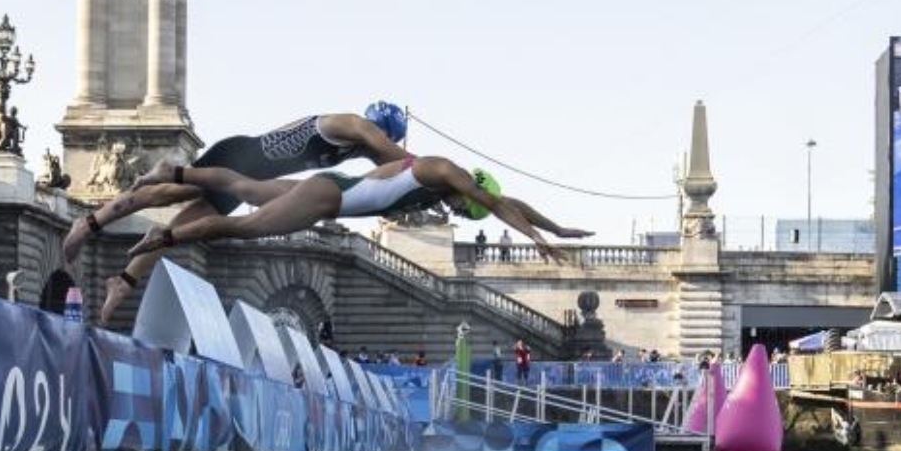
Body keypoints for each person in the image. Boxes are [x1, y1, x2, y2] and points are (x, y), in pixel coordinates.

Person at [63, 102, 413, 324]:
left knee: (183, 228)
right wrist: (436, 174)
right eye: (386, 137)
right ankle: (90, 221)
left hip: (247, 178)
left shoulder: (354, 149)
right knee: (168, 192)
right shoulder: (352, 124)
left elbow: (389, 174)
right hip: (239, 157)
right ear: (383, 129)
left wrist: (427, 194)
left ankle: (122, 282)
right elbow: (397, 159)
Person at [123, 155, 590, 267]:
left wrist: (559, 228)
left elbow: (509, 202)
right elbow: (496, 204)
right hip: (328, 200)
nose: (453, 211)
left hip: (333, 187)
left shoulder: (443, 180)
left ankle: (173, 173)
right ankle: (161, 238)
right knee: (242, 227)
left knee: (246, 185)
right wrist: (537, 239)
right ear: (465, 191)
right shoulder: (441, 171)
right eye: (461, 208)